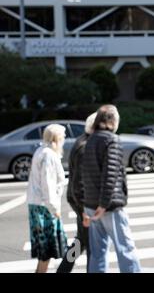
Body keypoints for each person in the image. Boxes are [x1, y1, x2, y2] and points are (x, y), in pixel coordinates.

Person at [82, 105, 141, 273]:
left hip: (91, 205)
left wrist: (85, 206)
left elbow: (83, 175)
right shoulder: (111, 140)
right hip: (107, 206)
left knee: (98, 252)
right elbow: (111, 174)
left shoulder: (90, 139)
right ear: (112, 121)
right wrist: (104, 204)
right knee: (126, 249)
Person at [57, 113, 97, 273]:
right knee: (90, 244)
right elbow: (79, 183)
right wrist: (83, 211)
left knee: (82, 241)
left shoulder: (83, 141)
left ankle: (63, 270)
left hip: (79, 201)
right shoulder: (85, 146)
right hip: (82, 203)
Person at [27, 124, 68, 273]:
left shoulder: (41, 151)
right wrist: (54, 208)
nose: (64, 140)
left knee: (45, 251)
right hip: (44, 207)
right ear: (56, 138)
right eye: (62, 137)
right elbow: (48, 184)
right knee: (46, 250)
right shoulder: (49, 155)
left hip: (39, 205)